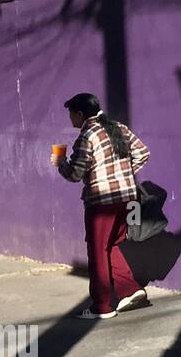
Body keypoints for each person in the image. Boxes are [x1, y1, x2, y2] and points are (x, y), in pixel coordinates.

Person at [51, 92, 151, 320]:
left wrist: (60, 163)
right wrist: (124, 175)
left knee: (97, 251)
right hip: (126, 197)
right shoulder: (119, 128)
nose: (70, 120)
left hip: (101, 201)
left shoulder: (87, 135)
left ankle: (103, 307)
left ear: (79, 113)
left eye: (71, 115)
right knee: (113, 244)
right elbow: (143, 153)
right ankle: (131, 289)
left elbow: (76, 174)